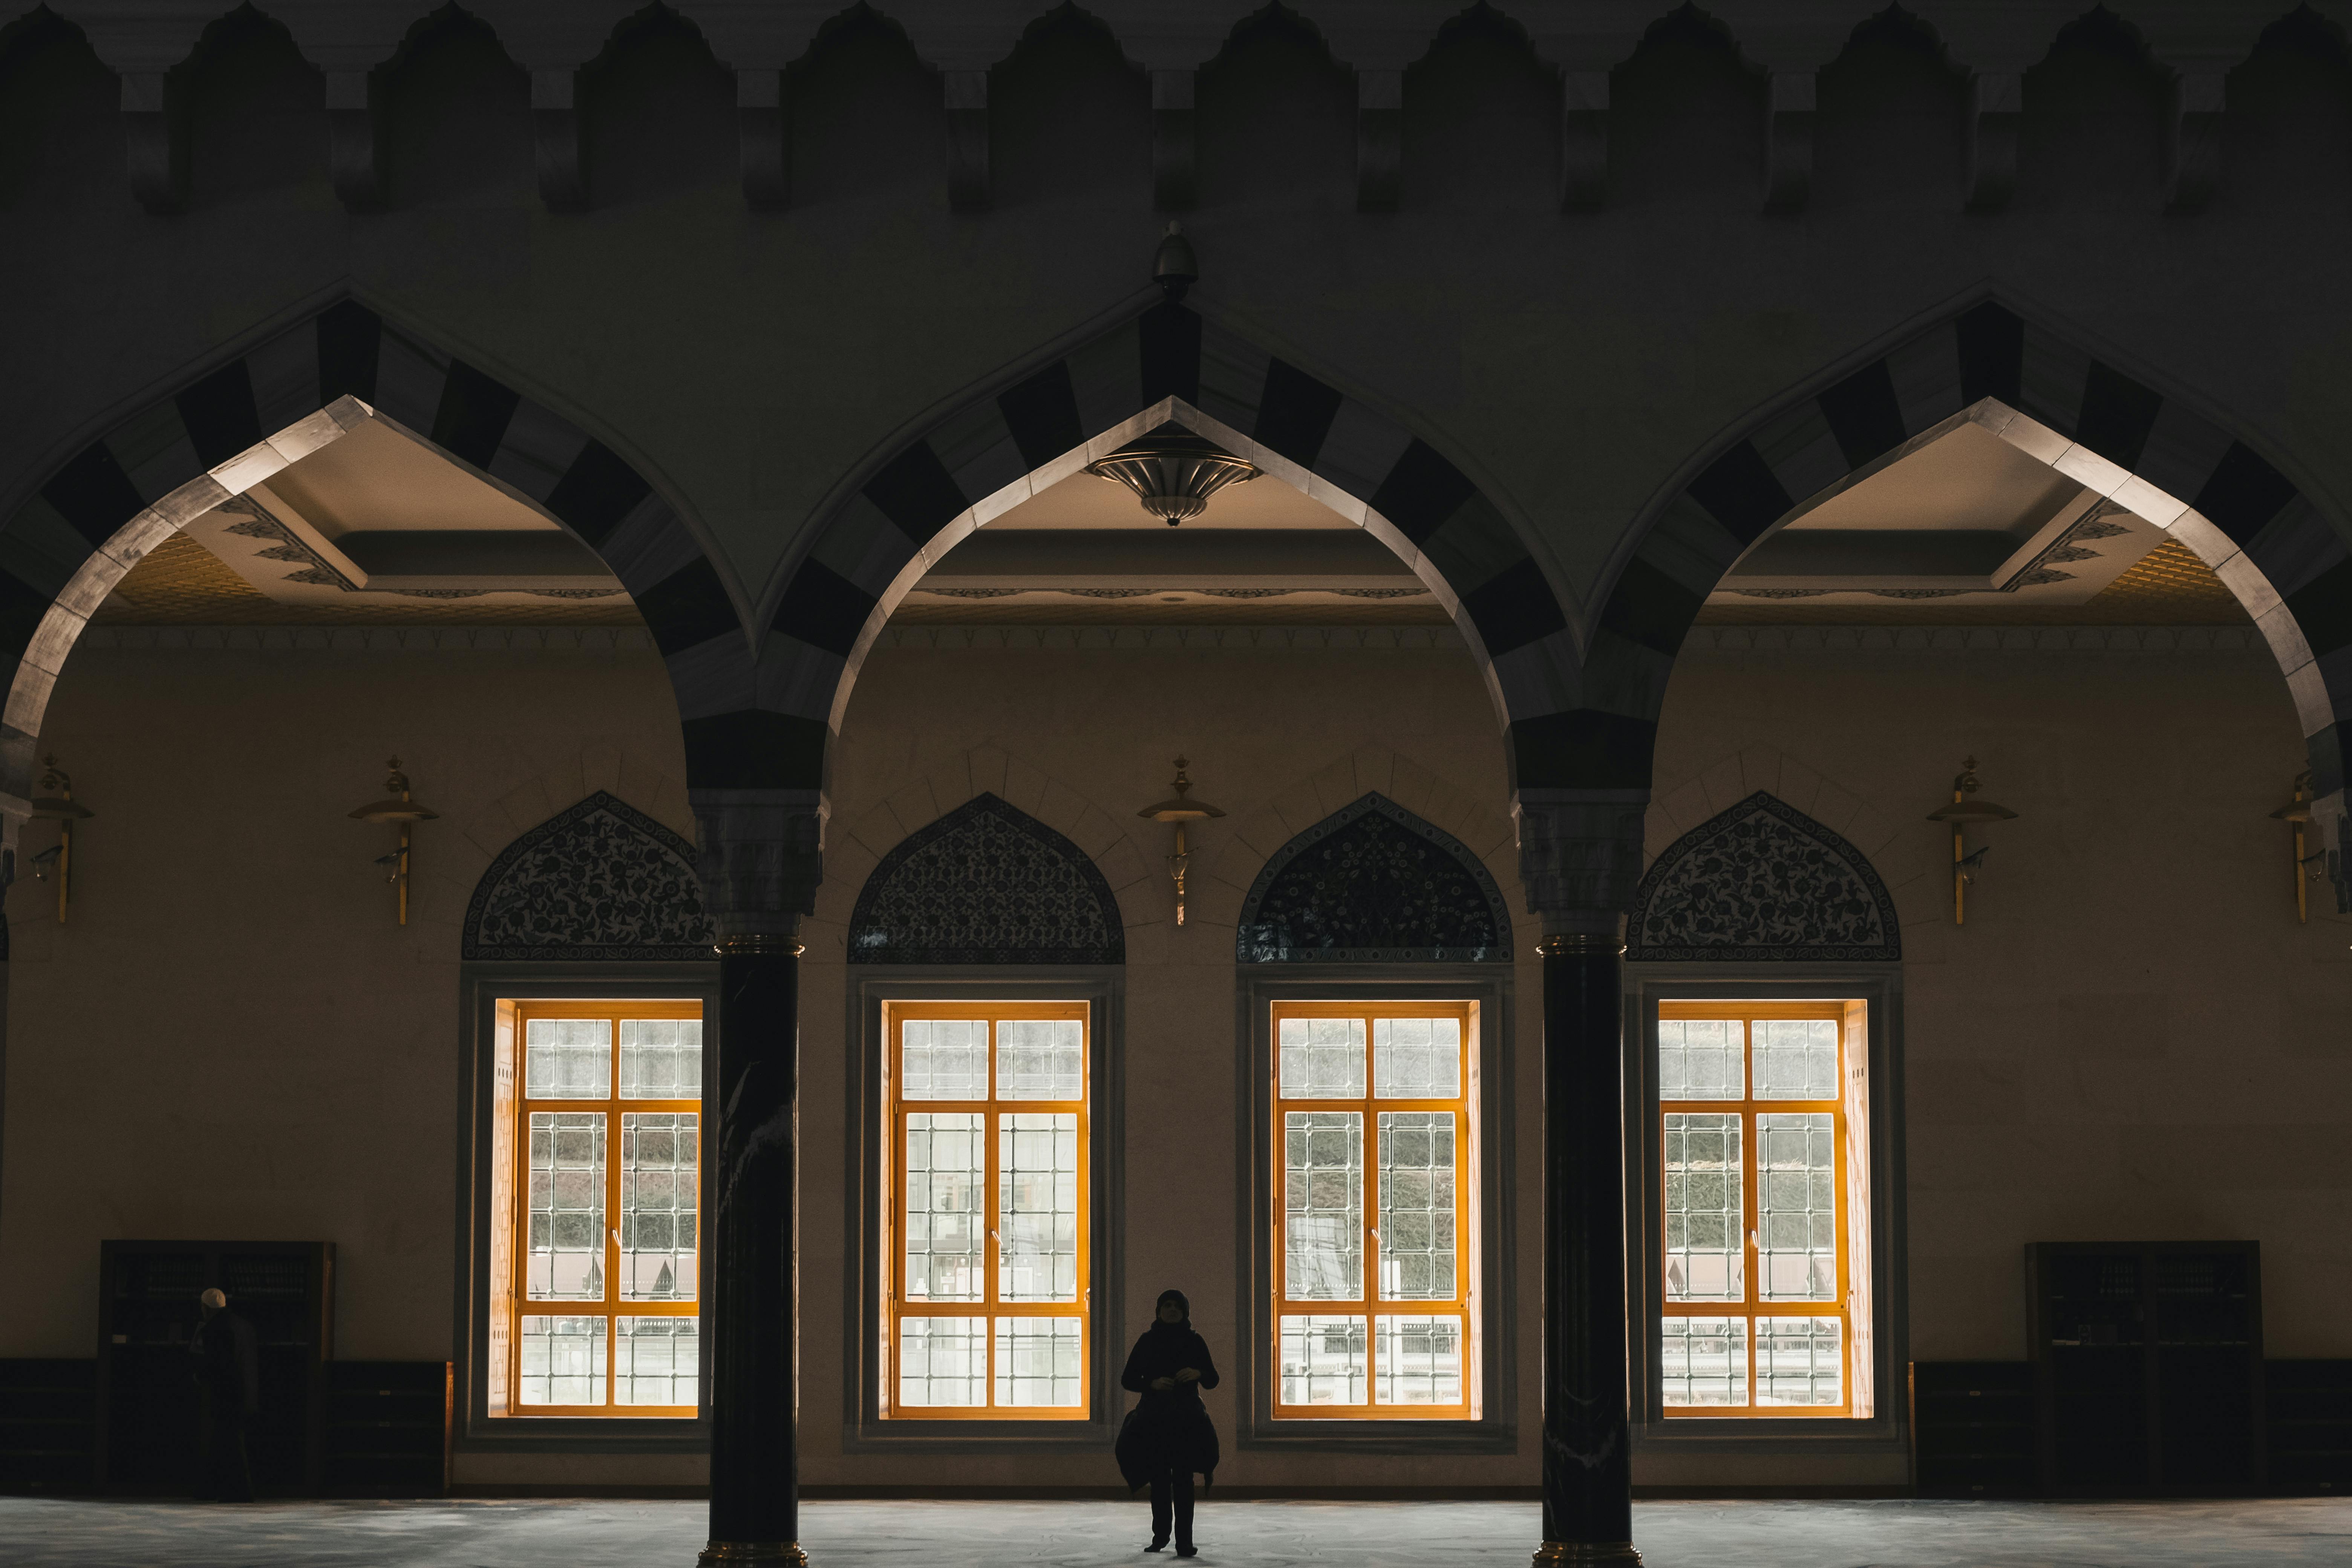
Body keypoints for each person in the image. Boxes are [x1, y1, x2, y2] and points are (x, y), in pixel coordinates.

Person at [1115, 1288, 1219, 1557]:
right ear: (1159, 1311)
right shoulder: (1147, 1341)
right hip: (1155, 1420)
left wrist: (1198, 1372)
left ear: (1185, 1312)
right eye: (1167, 1306)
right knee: (1160, 1481)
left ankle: (1185, 1542)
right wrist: (1151, 1383)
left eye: (1177, 1307)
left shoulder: (1195, 1342)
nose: (1172, 1310)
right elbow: (1127, 1379)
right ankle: (1160, 1537)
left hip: (1186, 1421)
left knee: (1184, 1481)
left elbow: (1213, 1379)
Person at [188, 1287, 259, 1502]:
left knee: (230, 1443)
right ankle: (209, 1490)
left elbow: (217, 1364)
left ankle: (241, 1492)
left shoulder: (213, 1329)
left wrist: (199, 1376)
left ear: (205, 1307)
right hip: (248, 1393)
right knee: (224, 1442)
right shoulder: (244, 1326)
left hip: (226, 1396)